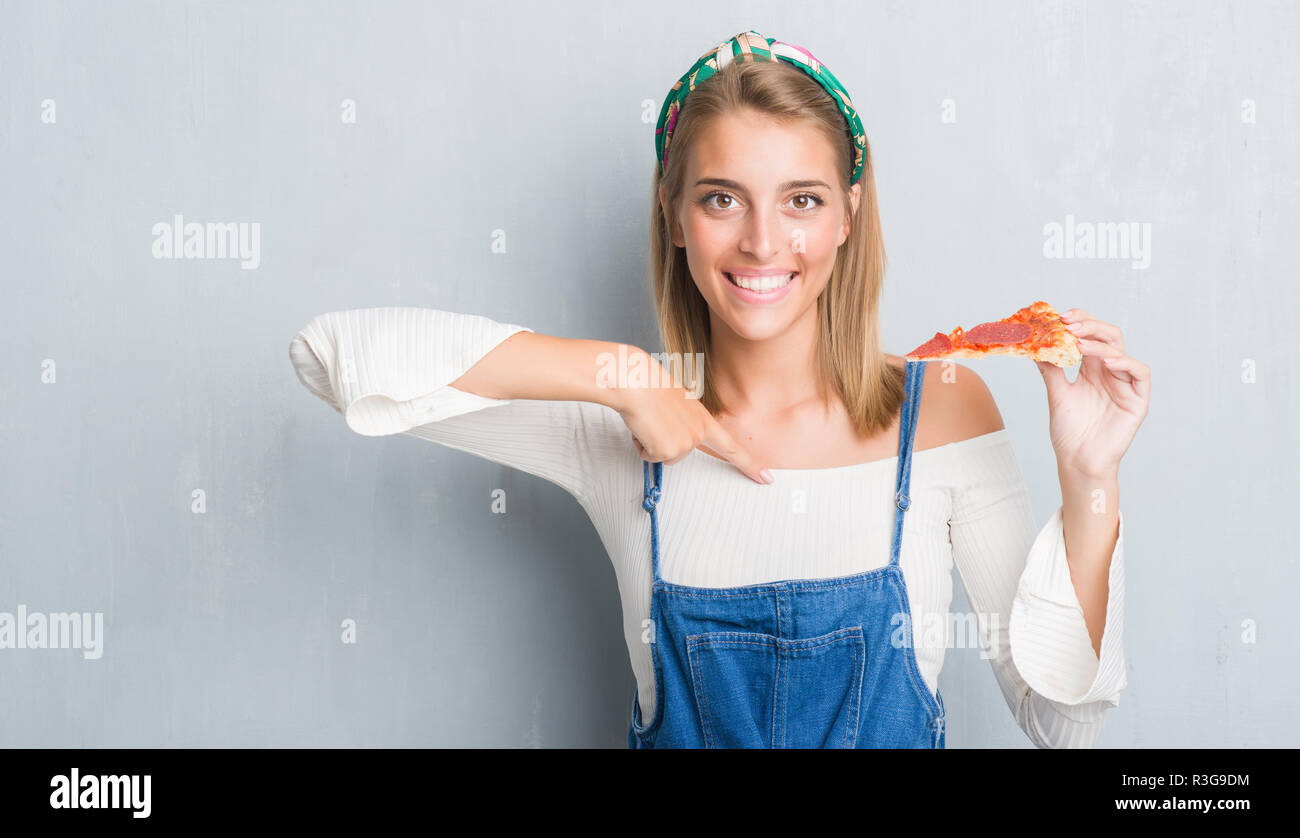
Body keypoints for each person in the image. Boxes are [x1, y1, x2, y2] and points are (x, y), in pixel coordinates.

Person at [288, 30, 1150, 748]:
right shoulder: (617, 423)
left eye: (802, 200)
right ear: (673, 216)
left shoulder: (945, 410)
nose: (764, 242)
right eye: (721, 199)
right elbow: (333, 355)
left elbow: (1061, 722)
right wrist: (614, 375)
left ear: (849, 214)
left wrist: (1089, 485)